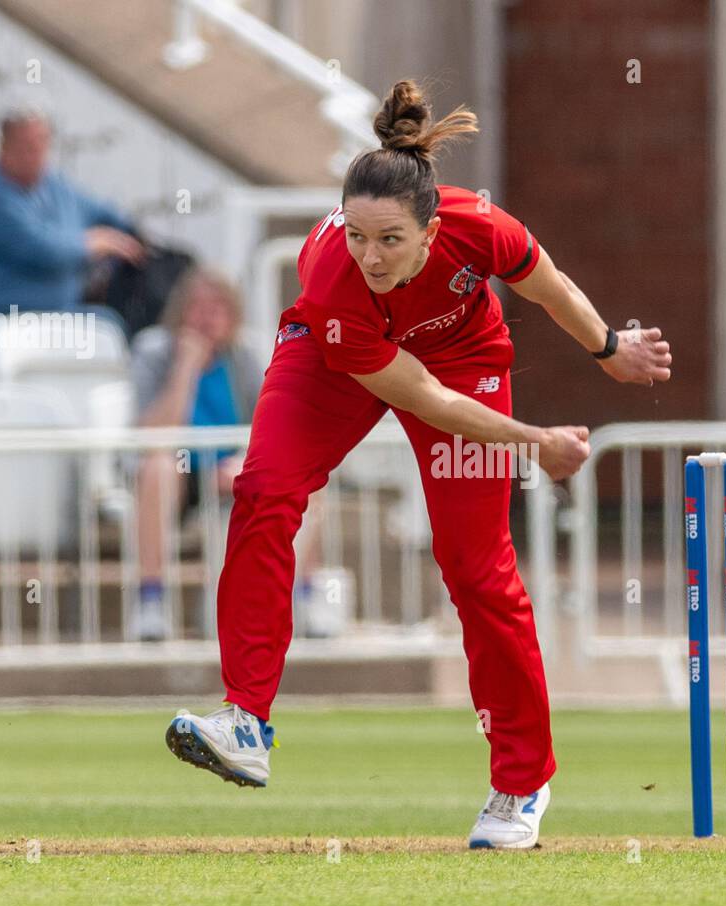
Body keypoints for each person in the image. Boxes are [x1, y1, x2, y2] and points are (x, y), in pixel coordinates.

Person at [165, 80, 670, 850]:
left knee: (475, 567)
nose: (370, 255)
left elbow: (549, 286)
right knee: (264, 488)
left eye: (390, 240)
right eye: (357, 236)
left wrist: (607, 348)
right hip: (339, 354)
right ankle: (246, 722)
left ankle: (521, 781)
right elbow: (424, 399)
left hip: (465, 355)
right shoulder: (335, 280)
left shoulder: (480, 226)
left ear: (432, 231)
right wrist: (534, 442)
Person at [130, 266, 264, 641]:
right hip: (179, 472)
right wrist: (186, 368)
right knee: (160, 466)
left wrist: (245, 461)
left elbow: (269, 426)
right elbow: (154, 433)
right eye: (198, 307)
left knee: (303, 482)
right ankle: (151, 600)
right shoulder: (154, 350)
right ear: (180, 312)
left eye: (218, 308)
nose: (207, 318)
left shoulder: (243, 356)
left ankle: (296, 599)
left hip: (228, 470)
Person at [0, 107, 141, 356]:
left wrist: (127, 237)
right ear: (3, 147)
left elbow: (105, 213)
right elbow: (45, 250)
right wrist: (93, 242)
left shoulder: (55, 185)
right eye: (25, 146)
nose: (34, 154)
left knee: (109, 326)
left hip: (56, 314)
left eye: (41, 144)